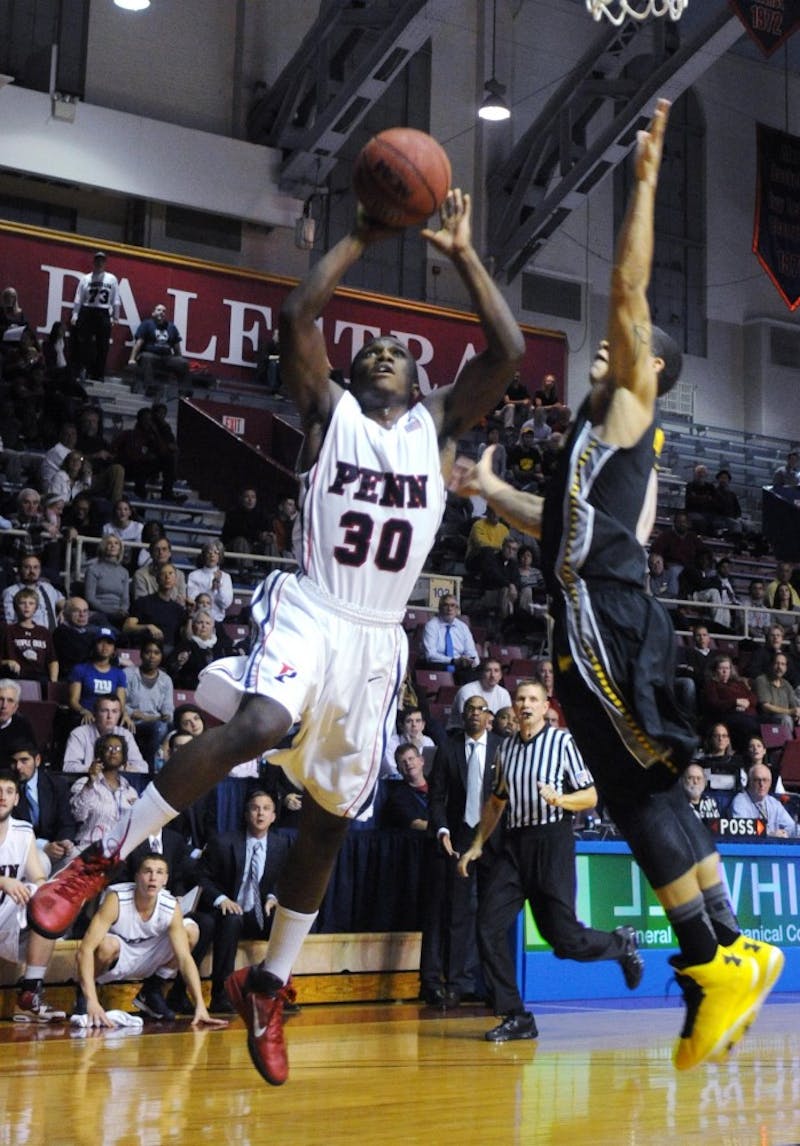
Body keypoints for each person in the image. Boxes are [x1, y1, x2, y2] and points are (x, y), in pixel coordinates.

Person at [27, 186, 525, 1088]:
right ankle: (99, 858)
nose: (381, 353)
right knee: (260, 724)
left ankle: (270, 984)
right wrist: (361, 234)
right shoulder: (330, 412)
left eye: (398, 353)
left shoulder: (435, 428)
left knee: (329, 822)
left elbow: (511, 352)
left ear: (422, 387)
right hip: (313, 605)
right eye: (369, 350)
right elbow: (298, 315)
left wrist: (463, 252)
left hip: (379, 641)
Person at [451, 100, 782, 1071]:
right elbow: (552, 524)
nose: (599, 350)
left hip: (606, 621)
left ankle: (710, 962)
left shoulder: (632, 405)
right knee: (652, 789)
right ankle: (733, 948)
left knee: (634, 800)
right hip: (594, 616)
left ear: (650, 366)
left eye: (619, 347)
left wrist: (644, 176)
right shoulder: (587, 442)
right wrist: (490, 490)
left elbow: (627, 288)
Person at [458, 681, 642, 1041]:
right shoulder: (506, 748)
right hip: (514, 845)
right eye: (519, 699)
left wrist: (560, 800)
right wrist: (478, 843)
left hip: (552, 841)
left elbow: (591, 796)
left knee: (564, 940)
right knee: (487, 925)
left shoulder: (562, 743)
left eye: (532, 699)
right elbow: (497, 801)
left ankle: (621, 945)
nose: (525, 704)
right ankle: (516, 1015)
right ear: (513, 707)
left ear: (545, 707)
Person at [74, 851, 224, 1028]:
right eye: (148, 871)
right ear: (137, 876)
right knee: (107, 945)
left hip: (150, 954)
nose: (153, 877)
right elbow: (85, 950)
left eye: (159, 872)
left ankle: (151, 991)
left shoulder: (170, 905)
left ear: (165, 879)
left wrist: (200, 1005)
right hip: (120, 953)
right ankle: (85, 997)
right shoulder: (116, 899)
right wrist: (92, 1000)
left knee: (190, 931)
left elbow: (184, 959)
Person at [423, 694, 503, 1008]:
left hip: (493, 839)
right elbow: (437, 796)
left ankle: (491, 984)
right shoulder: (449, 748)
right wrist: (442, 829)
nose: (474, 714)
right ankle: (457, 984)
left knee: (492, 912)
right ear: (463, 714)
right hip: (458, 837)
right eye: (470, 709)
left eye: (480, 709)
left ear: (488, 716)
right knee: (458, 913)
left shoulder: (501, 747)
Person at [196, 790, 291, 1013]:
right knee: (232, 920)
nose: (260, 813)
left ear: (273, 816)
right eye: (255, 808)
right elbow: (200, 877)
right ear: (246, 814)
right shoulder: (223, 842)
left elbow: (286, 879)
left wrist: (273, 897)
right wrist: (221, 899)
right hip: (228, 911)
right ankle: (221, 995)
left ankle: (279, 991)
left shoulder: (280, 844)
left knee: (285, 921)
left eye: (266, 809)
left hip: (259, 911)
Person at [0, 769, 66, 1022]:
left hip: (8, 919)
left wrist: (37, 890)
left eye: (9, 791)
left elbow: (38, 876)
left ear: (17, 798)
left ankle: (30, 993)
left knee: (50, 905)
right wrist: (3, 881)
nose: (3, 797)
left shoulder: (24, 831)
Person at [9, 740, 77, 876]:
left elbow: (66, 822)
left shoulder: (56, 785)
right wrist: (43, 846)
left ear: (37, 760)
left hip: (55, 845)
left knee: (76, 859)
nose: (18, 767)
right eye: (14, 762)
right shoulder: (7, 787)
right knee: (41, 862)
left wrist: (63, 842)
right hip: (22, 849)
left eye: (24, 761)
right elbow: (11, 830)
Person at [69, 733, 140, 850]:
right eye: (108, 748)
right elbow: (78, 815)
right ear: (99, 754)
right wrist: (90, 782)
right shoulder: (83, 783)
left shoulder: (130, 791)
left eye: (118, 748)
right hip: (89, 848)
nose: (113, 752)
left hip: (120, 851)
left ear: (124, 756)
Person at [62, 696, 147, 774]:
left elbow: (143, 767)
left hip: (118, 782)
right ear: (95, 713)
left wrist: (125, 769)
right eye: (104, 711)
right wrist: (91, 769)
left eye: (114, 711)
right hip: (88, 781)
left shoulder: (126, 735)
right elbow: (68, 767)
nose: (109, 716)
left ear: (120, 714)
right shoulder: (79, 734)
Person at [70, 251, 120, 382]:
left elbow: (115, 298)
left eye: (102, 260)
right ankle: (83, 370)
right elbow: (79, 297)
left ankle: (99, 373)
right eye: (97, 260)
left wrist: (116, 316)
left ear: (105, 263)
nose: (99, 263)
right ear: (94, 262)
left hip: (103, 311)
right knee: (84, 343)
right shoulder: (86, 278)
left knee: (102, 344)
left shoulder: (111, 278)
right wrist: (75, 314)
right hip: (88, 310)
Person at [125, 639, 174, 768]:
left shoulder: (166, 679)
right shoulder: (128, 674)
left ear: (161, 656)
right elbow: (119, 702)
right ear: (141, 654)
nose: (152, 656)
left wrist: (167, 714)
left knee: (170, 726)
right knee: (160, 728)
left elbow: (168, 705)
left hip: (155, 721)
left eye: (156, 653)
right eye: (148, 652)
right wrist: (132, 713)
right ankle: (148, 766)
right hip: (133, 722)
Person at [125, 563, 187, 655]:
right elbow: (127, 627)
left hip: (169, 653)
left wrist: (191, 616)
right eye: (163, 574)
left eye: (170, 573)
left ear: (175, 580)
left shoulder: (178, 609)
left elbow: (186, 636)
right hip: (146, 650)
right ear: (157, 579)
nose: (167, 577)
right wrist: (148, 626)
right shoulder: (143, 602)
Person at [0, 588, 58, 683]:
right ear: (16, 606)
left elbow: (52, 660)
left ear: (36, 607)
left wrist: (53, 682)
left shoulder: (43, 632)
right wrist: (7, 662)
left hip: (40, 679)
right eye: (22, 603)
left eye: (31, 603)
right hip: (15, 678)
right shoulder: (7, 630)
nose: (27, 606)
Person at [127, 303, 189, 391]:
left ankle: (184, 392)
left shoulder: (172, 327)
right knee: (146, 358)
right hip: (150, 355)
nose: (161, 312)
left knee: (183, 362)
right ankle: (149, 387)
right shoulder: (146, 324)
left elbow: (177, 347)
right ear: (153, 313)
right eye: (159, 310)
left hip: (167, 357)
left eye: (164, 311)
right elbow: (138, 343)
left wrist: (179, 358)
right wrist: (132, 359)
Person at [702, 655, 759, 751]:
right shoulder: (712, 685)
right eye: (721, 668)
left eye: (727, 668)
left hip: (749, 714)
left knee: (774, 722)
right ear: (715, 670)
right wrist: (735, 702)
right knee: (750, 725)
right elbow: (714, 704)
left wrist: (747, 703)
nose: (725, 671)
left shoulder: (739, 683)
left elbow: (754, 698)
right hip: (727, 716)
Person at [731, 764, 798, 837]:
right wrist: (770, 835)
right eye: (757, 780)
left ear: (770, 783)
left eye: (765, 780)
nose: (761, 784)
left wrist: (786, 833)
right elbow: (742, 830)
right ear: (750, 782)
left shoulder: (774, 803)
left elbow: (792, 828)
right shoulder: (740, 802)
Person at [420, 594, 480, 676]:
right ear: (440, 608)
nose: (449, 609)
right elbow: (430, 655)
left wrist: (473, 662)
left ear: (457, 609)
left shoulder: (463, 627)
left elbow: (471, 651)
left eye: (453, 605)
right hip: (438, 666)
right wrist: (453, 661)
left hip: (460, 667)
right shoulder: (431, 626)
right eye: (446, 605)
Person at [2, 554, 63, 631]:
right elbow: (10, 622)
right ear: (19, 570)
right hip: (27, 635)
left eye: (35, 567)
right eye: (27, 567)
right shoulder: (11, 592)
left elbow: (62, 601)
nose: (32, 571)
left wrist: (64, 610)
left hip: (52, 635)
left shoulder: (48, 587)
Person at [84, 534, 131, 628]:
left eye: (116, 543)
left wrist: (123, 610)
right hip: (99, 613)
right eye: (109, 543)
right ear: (103, 547)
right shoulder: (93, 569)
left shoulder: (124, 572)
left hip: (120, 614)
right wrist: (112, 612)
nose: (113, 545)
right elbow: (90, 598)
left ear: (120, 548)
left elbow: (125, 599)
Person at [449, 659, 512, 730]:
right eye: (488, 671)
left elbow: (507, 719)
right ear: (481, 674)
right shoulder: (467, 690)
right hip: (461, 731)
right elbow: (469, 720)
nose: (493, 675)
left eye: (496, 671)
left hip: (492, 730)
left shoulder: (504, 693)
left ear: (500, 676)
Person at [381, 743, 429, 831]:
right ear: (398, 769)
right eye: (403, 762)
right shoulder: (398, 796)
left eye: (411, 758)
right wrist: (442, 828)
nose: (408, 763)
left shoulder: (439, 785)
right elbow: (416, 824)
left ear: (421, 761)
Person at [754, 651, 800, 736]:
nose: (779, 667)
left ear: (786, 668)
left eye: (783, 664)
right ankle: (788, 744)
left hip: (786, 717)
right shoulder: (762, 680)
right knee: (786, 719)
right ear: (771, 665)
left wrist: (798, 713)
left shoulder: (786, 684)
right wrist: (789, 711)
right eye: (777, 663)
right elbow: (766, 707)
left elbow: (794, 705)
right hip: (768, 718)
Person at [186, 541, 233, 623]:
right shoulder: (193, 575)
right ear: (204, 555)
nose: (212, 555)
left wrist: (219, 588)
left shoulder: (225, 577)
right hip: (198, 620)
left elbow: (226, 604)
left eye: (216, 552)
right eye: (209, 552)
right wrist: (212, 590)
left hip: (217, 620)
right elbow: (194, 600)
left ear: (220, 556)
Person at [52, 597, 97, 680]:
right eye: (76, 611)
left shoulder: (91, 634)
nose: (82, 615)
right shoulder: (61, 633)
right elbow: (76, 660)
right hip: (70, 679)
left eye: (85, 611)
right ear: (66, 613)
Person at [132, 537, 187, 604]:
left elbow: (181, 603)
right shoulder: (140, 575)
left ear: (169, 553)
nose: (161, 552)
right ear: (151, 554)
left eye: (164, 549)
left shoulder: (179, 575)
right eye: (156, 550)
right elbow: (141, 604)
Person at [0, 679, 36, 761]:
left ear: (16, 707)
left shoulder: (23, 725)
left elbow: (31, 758)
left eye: (10, 700)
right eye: (0, 699)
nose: (4, 706)